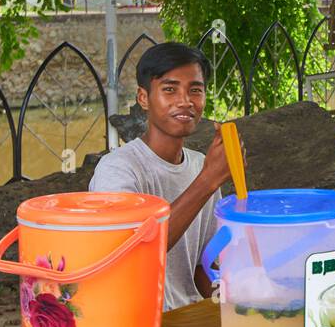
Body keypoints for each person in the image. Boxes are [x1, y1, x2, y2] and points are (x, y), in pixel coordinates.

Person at [90, 42, 231, 310]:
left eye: (195, 91)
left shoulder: (201, 165)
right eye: (170, 89)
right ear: (143, 98)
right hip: (134, 324)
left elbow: (202, 264)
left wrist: (229, 307)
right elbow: (132, 252)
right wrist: (207, 181)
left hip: (187, 317)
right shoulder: (118, 169)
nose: (185, 101)